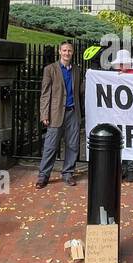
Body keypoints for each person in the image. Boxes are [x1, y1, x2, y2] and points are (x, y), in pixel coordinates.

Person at [38, 41, 80, 188]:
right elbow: (44, 94)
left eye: (69, 50)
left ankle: (68, 173)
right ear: (59, 52)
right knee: (50, 146)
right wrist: (44, 114)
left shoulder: (76, 70)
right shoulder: (50, 69)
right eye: (64, 50)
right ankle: (43, 176)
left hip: (73, 112)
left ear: (73, 52)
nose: (67, 53)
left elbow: (80, 91)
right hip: (55, 113)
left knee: (73, 145)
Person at [112, 50, 133, 182]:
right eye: (119, 63)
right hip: (119, 115)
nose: (120, 66)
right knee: (121, 140)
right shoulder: (115, 75)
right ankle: (122, 168)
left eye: (122, 63)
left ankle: (131, 168)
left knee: (132, 140)